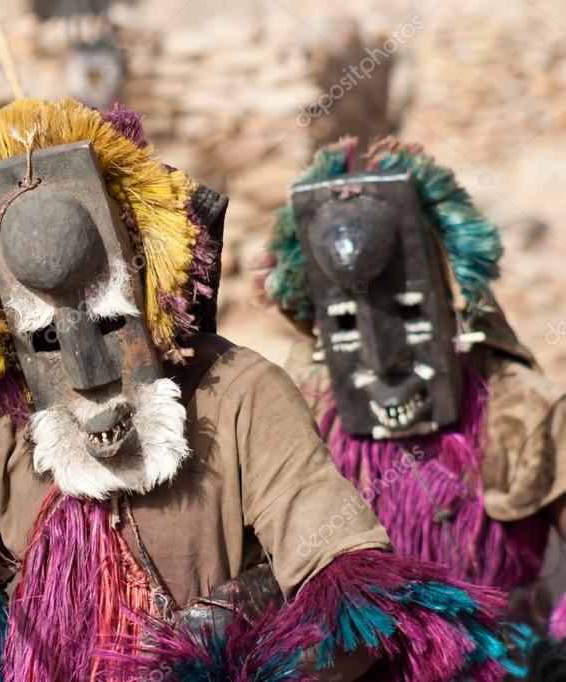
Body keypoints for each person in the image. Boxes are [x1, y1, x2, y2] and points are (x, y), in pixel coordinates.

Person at [0, 100, 515, 680]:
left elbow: (345, 598)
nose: (91, 372)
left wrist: (242, 625)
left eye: (109, 327)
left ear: (156, 291)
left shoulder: (241, 394)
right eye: (43, 340)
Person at [260, 137, 566, 645]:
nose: (385, 360)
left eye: (409, 315)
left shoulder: (519, 408)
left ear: (452, 300)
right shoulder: (301, 419)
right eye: (347, 325)